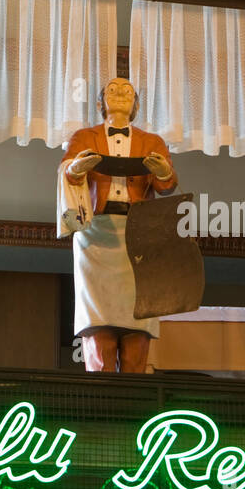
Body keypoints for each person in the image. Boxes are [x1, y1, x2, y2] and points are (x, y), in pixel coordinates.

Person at [57, 77, 177, 373]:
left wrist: (163, 172)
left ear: (136, 104)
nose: (121, 93)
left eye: (127, 91)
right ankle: (100, 390)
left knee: (139, 323)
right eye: (113, 90)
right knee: (98, 323)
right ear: (100, 103)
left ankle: (134, 390)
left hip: (139, 233)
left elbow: (167, 185)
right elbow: (67, 170)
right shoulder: (85, 136)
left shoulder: (152, 141)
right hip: (95, 233)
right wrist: (75, 169)